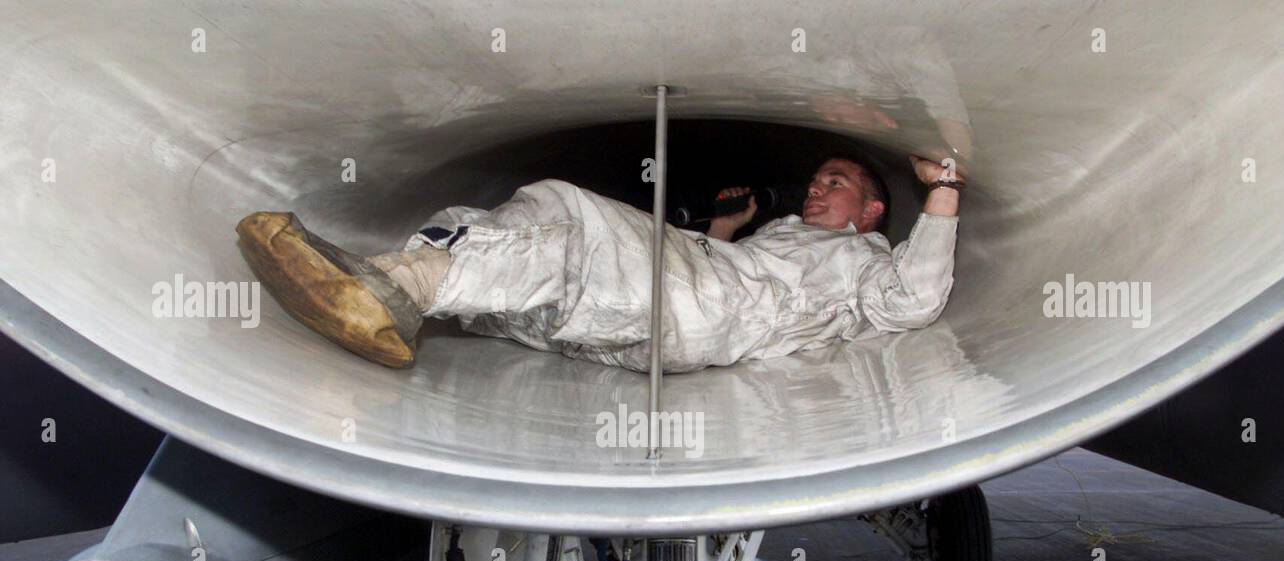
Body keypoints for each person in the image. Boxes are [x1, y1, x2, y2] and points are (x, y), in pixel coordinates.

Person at [236, 154, 962, 372]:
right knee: (471, 226)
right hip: (659, 317)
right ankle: (387, 301)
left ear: (872, 213)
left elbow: (914, 300)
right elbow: (722, 269)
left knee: (565, 212)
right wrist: (729, 227)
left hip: (713, 306)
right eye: (816, 177)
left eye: (837, 184)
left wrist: (943, 193)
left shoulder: (868, 258)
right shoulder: (786, 238)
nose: (816, 187)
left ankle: (389, 287)